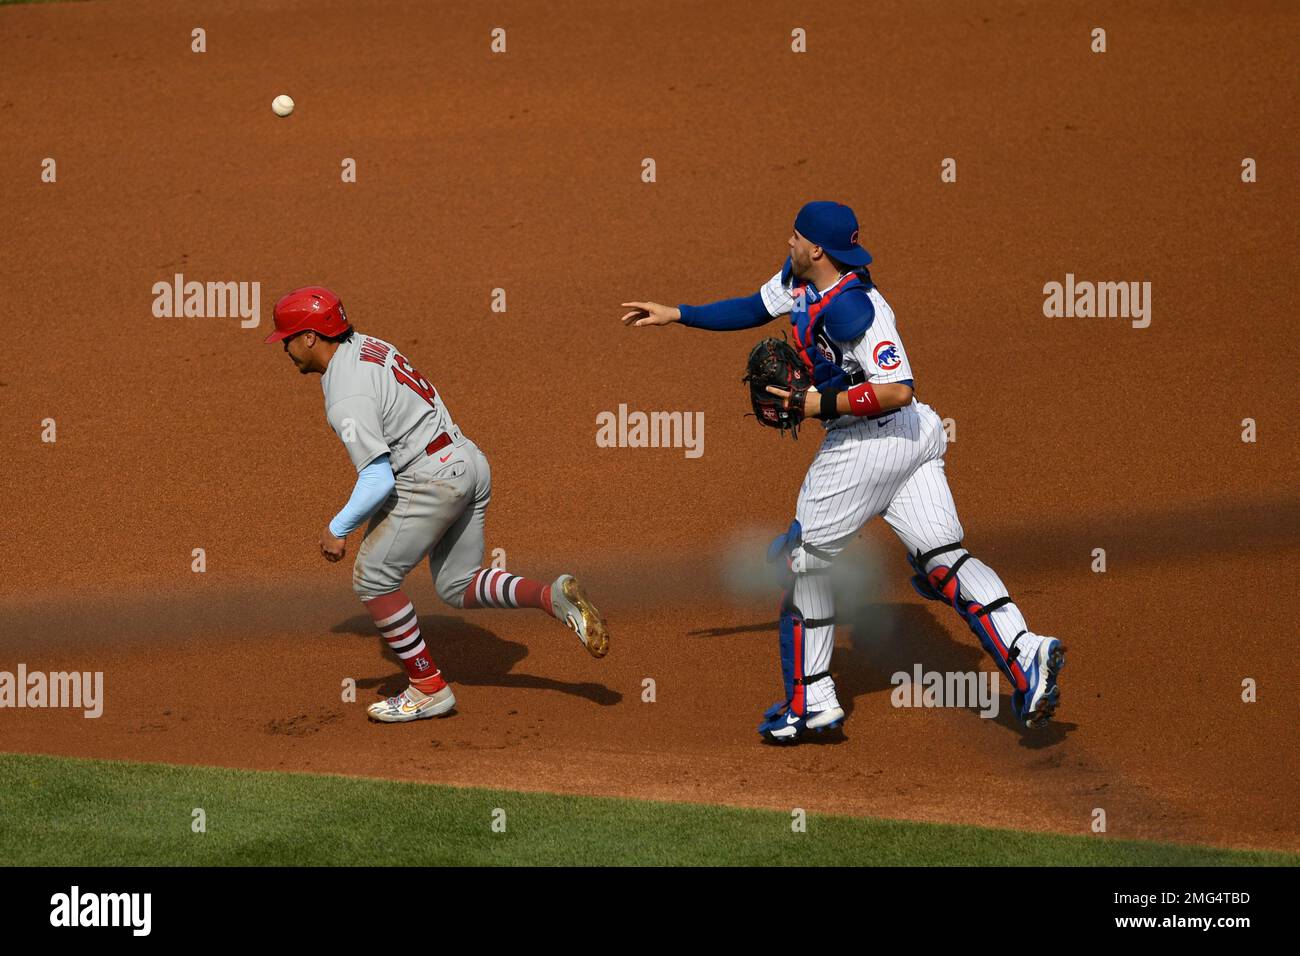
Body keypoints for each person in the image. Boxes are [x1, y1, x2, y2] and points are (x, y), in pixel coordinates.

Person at [621, 201, 1064, 743]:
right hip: (913, 440)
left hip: (871, 441)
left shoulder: (857, 310)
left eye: (795, 237)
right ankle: (1027, 652)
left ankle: (813, 703)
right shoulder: (802, 280)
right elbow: (755, 307)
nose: (787, 242)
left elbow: (898, 387)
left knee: (802, 560)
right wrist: (680, 313)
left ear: (817, 249)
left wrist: (817, 406)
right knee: (942, 559)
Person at [267, 286, 609, 723]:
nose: (286, 348)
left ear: (311, 337)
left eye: (288, 339)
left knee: (373, 579)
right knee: (456, 584)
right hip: (469, 463)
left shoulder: (345, 395)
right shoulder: (369, 344)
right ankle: (549, 596)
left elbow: (377, 477)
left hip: (430, 477)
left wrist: (338, 528)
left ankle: (428, 687)